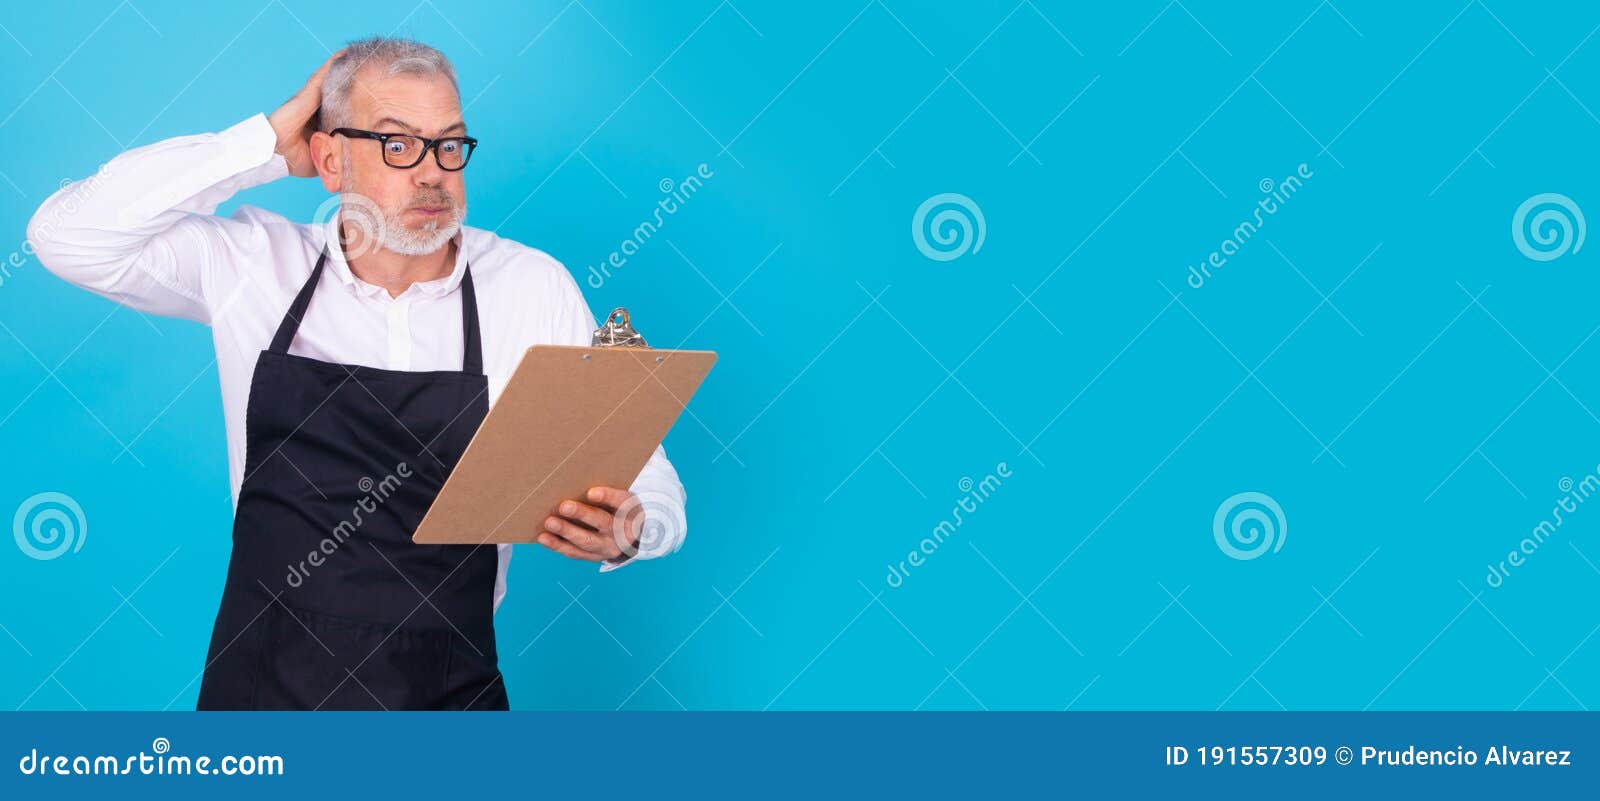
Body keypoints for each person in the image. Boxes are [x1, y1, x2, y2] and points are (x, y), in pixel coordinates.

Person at [25, 37, 688, 710]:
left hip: (449, 695)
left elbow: (647, 478)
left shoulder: (529, 287)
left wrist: (632, 529)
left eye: (449, 145)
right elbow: (66, 237)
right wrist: (263, 144)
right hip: (263, 695)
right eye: (397, 145)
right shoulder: (252, 266)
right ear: (330, 160)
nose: (432, 174)